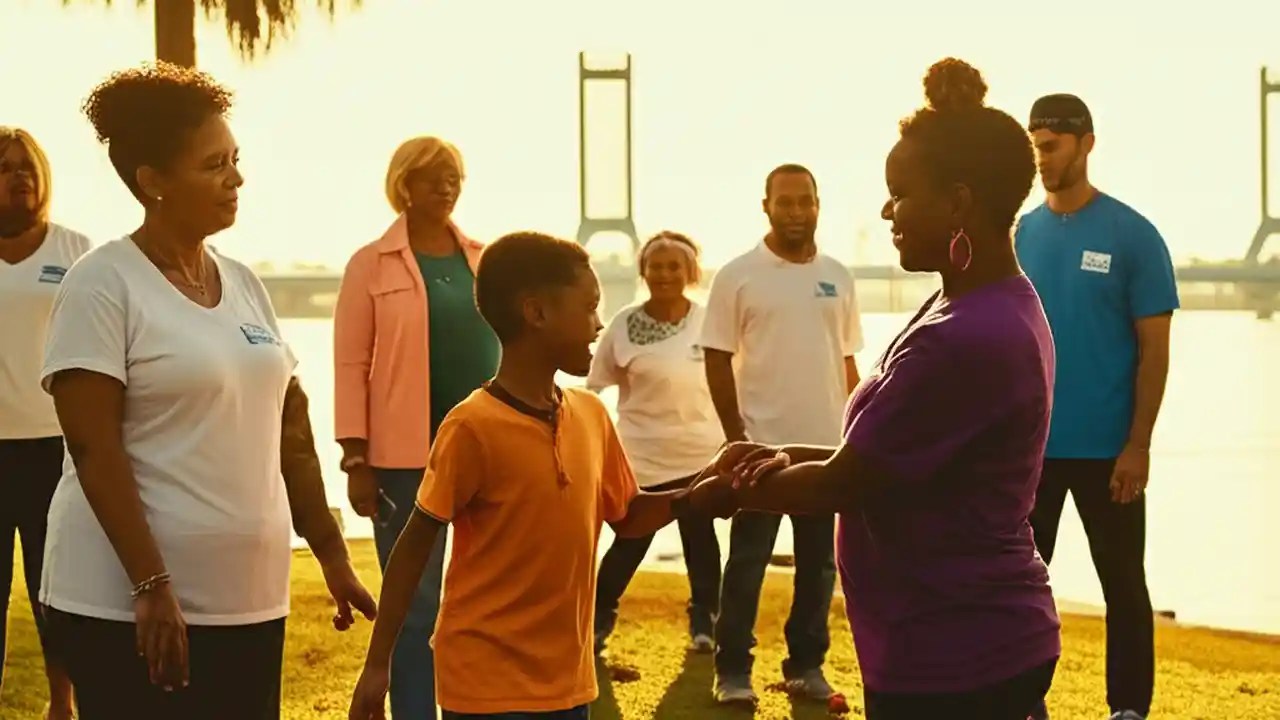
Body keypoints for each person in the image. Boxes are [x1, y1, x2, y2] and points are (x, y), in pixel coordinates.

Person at [697, 58, 1063, 720]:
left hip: (957, 652)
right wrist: (770, 455)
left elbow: (845, 484)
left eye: (901, 192)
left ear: (957, 202)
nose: (888, 210)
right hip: (944, 638)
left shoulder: (967, 337)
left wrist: (717, 492)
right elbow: (876, 457)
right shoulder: (972, 302)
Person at [38, 62, 376, 720]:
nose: (236, 178)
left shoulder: (245, 284)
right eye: (214, 163)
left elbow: (289, 426)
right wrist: (152, 583)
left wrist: (331, 553)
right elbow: (92, 445)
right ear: (153, 181)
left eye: (236, 159)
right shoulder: (102, 283)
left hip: (249, 599)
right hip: (125, 606)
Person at [348, 231, 737, 720]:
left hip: (570, 685)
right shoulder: (472, 426)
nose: (599, 325)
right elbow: (415, 544)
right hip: (485, 684)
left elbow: (629, 514)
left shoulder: (591, 415)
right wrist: (377, 664)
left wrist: (699, 493)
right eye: (589, 307)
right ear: (536, 313)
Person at [1016, 93, 1179, 720]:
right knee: (1023, 587)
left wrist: (1137, 444)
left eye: (1051, 147)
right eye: (1035, 147)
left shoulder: (1132, 235)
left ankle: (1128, 710)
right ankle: (1024, 701)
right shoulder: (1022, 232)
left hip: (1111, 454)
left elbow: (1155, 353)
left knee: (1123, 586)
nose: (1042, 160)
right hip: (1031, 452)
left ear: (1086, 142)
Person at [334, 135, 498, 719]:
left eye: (454, 175)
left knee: (484, 603)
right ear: (404, 184)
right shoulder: (369, 264)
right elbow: (351, 364)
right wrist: (356, 459)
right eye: (432, 176)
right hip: (403, 461)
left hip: (489, 452)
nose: (446, 186)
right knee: (413, 604)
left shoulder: (484, 259)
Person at [699, 163, 863, 704]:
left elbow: (846, 362)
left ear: (818, 204)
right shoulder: (739, 274)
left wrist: (858, 432)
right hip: (761, 449)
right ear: (766, 205)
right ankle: (733, 671)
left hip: (826, 449)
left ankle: (806, 666)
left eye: (805, 202)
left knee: (819, 567)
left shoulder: (838, 274)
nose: (796, 212)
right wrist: (734, 435)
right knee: (747, 562)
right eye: (785, 202)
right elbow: (718, 358)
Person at [587, 230, 724, 656]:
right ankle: (597, 622)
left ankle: (705, 622)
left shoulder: (712, 320)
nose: (664, 274)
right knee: (629, 543)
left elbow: (737, 378)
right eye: (656, 266)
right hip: (641, 460)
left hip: (702, 454)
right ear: (643, 270)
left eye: (673, 267)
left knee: (701, 543)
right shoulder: (622, 325)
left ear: (690, 272)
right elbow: (594, 387)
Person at [0, 126, 88, 720]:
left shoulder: (75, 250)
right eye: (5, 167)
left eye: (27, 166)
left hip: (55, 451)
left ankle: (63, 704)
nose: (19, 176)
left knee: (52, 591)